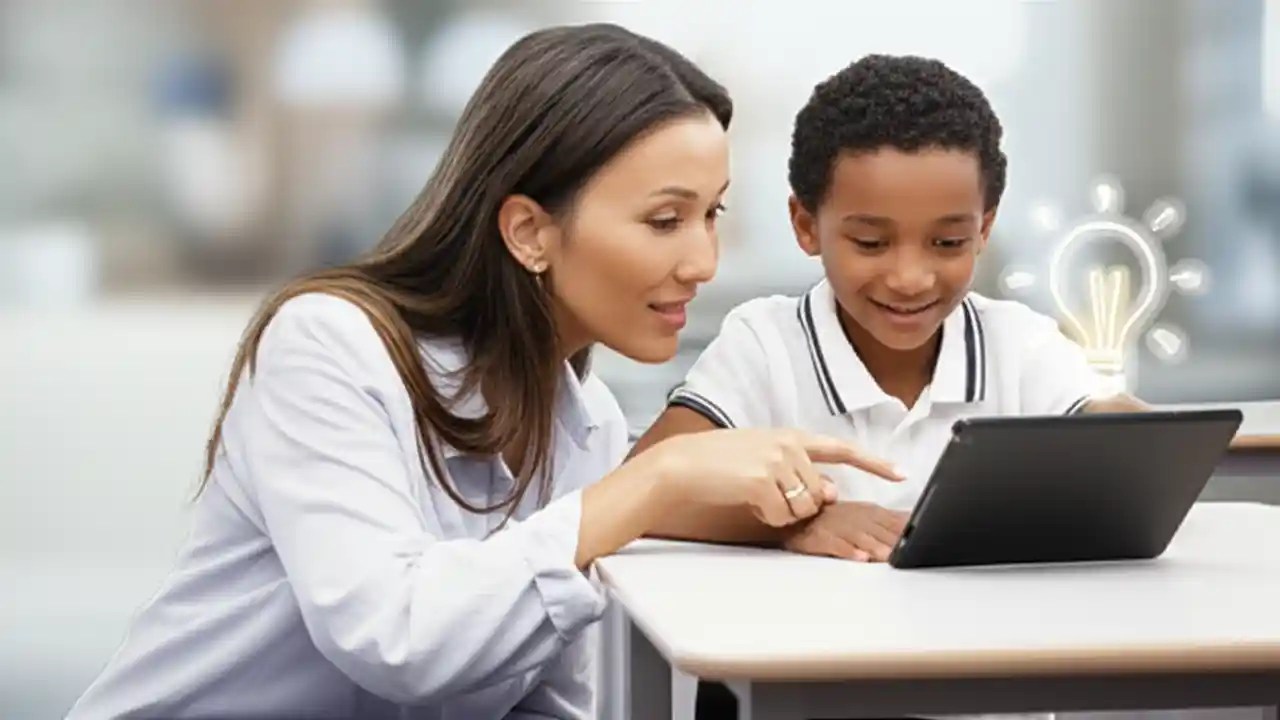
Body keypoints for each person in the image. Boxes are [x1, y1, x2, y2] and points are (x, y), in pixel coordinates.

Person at [67, 25, 901, 720]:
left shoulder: (586, 420)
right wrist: (658, 480)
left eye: (711, 215)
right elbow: (397, 640)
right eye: (664, 219)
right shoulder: (328, 347)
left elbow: (532, 699)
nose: (702, 262)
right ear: (529, 231)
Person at [633, 53, 1146, 563]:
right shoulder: (765, 345)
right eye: (871, 242)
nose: (910, 279)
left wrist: (1135, 431)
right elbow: (638, 488)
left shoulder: (1018, 343)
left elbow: (1111, 436)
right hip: (810, 641)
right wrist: (793, 525)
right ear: (807, 225)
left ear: (983, 230)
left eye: (947, 243)